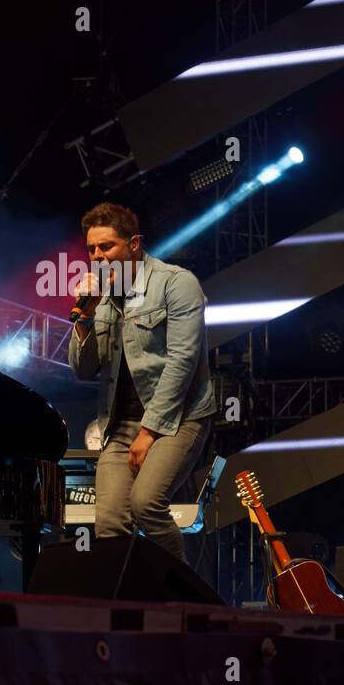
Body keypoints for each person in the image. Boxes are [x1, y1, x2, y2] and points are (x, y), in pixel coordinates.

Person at [68, 202, 216, 564]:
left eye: (107, 247)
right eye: (92, 250)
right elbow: (82, 370)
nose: (98, 257)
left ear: (134, 244)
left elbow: (183, 361)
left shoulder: (176, 284)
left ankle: (183, 595)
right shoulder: (101, 300)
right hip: (119, 427)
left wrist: (150, 432)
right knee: (109, 521)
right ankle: (127, 606)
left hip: (178, 418)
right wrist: (84, 318)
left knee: (146, 504)